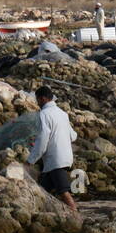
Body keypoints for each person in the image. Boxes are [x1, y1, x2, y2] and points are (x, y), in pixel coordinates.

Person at [28, 85, 79, 215]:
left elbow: (43, 140)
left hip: (55, 160)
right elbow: (73, 136)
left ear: (43, 99)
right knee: (43, 191)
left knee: (63, 192)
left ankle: (76, 216)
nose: (37, 103)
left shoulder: (44, 114)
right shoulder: (63, 114)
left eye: (38, 100)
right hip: (64, 157)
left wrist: (30, 160)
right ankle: (47, 216)